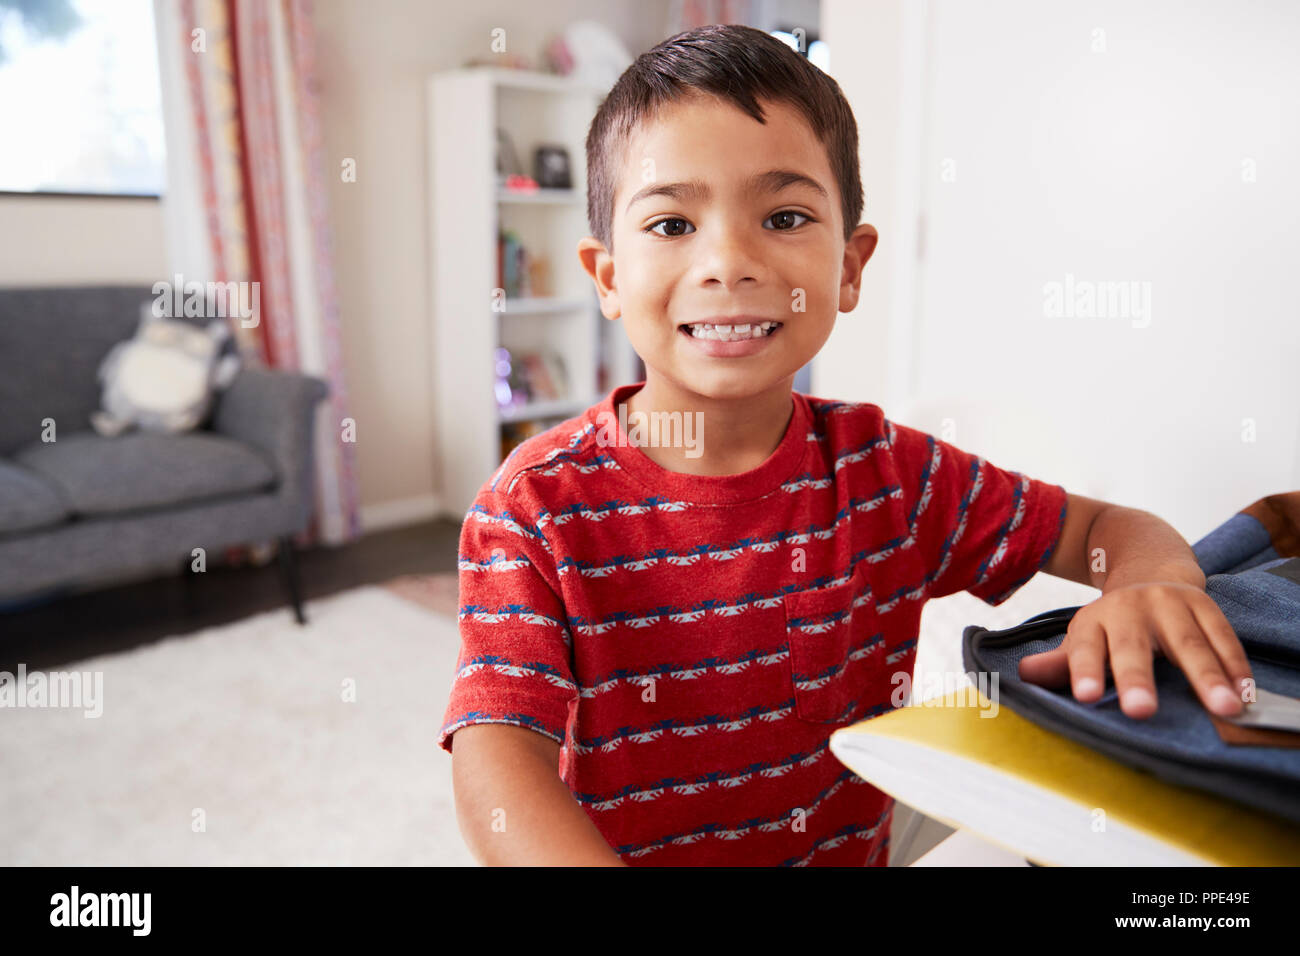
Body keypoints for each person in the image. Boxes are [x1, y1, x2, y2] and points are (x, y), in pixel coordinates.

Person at [438, 23, 1253, 867]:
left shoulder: (892, 473)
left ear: (851, 266)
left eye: (783, 216)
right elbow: (497, 758)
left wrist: (1145, 581)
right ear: (608, 277)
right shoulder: (532, 506)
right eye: (673, 224)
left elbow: (1103, 532)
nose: (728, 261)